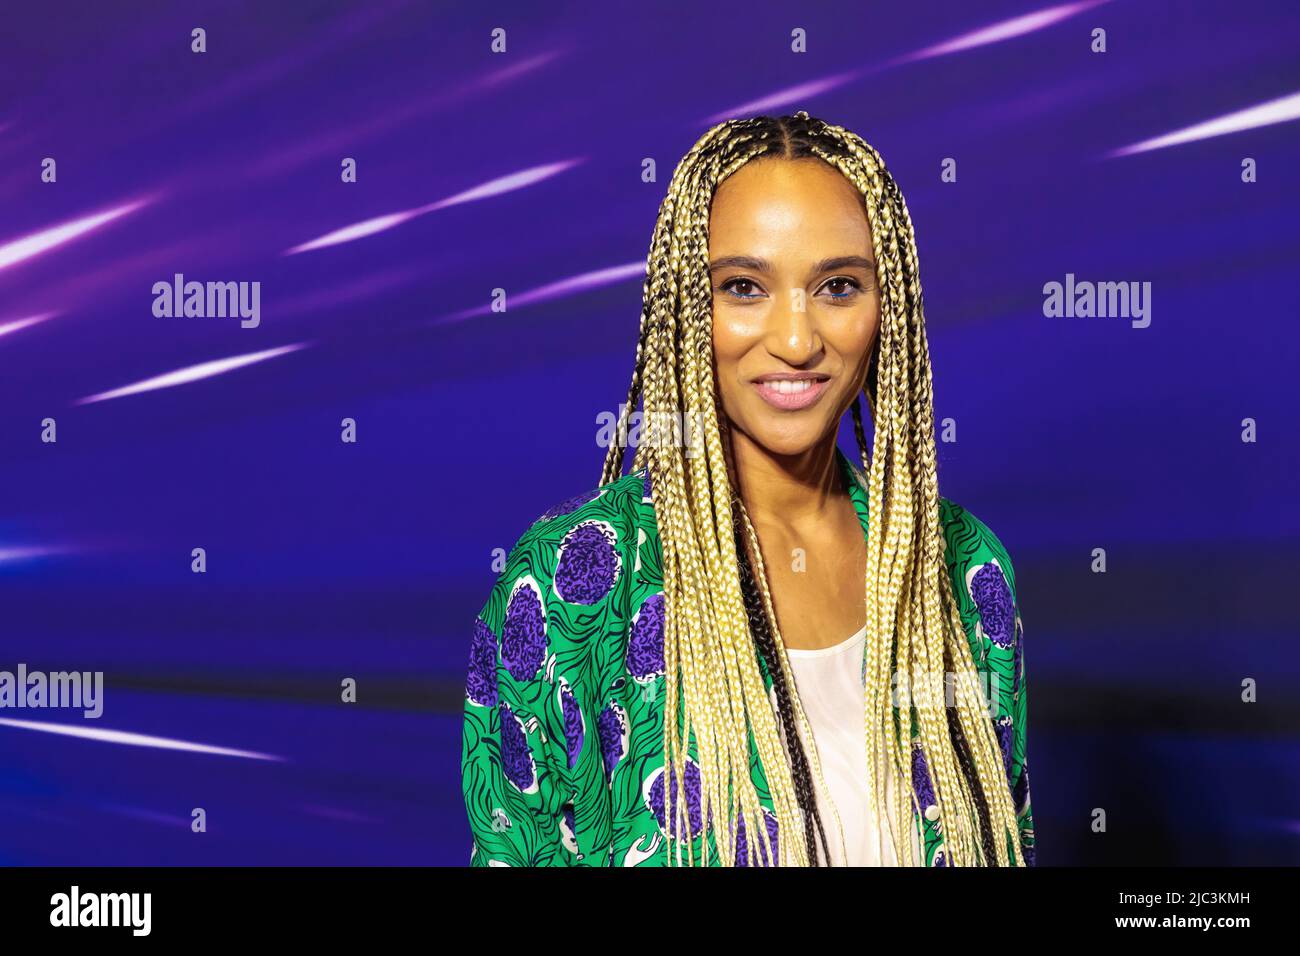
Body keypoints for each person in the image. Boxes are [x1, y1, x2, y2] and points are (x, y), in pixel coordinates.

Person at [460, 110, 1034, 867]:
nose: (796, 340)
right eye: (743, 287)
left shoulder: (963, 575)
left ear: (885, 309)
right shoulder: (576, 581)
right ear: (684, 311)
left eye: (836, 286)